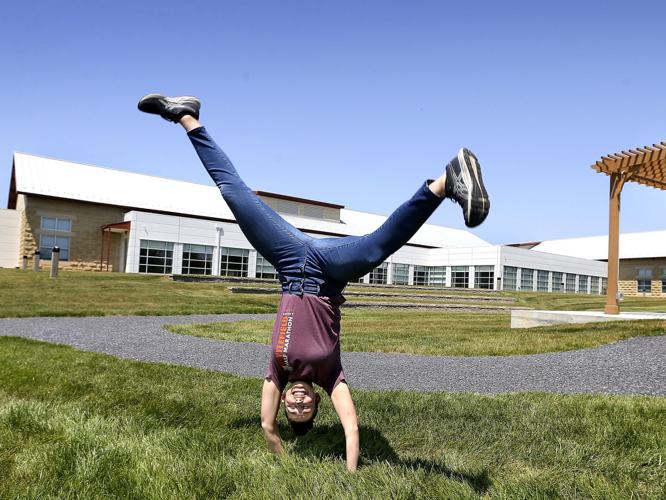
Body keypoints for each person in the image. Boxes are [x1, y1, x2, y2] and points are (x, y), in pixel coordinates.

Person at [138, 94, 490, 471]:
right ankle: (446, 182)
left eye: (293, 408)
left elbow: (267, 427)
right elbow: (352, 428)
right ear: (317, 402)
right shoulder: (331, 376)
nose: (299, 403)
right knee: (375, 249)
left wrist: (282, 457)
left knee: (233, 194)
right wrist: (351, 477)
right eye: (306, 408)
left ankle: (186, 116)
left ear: (284, 401)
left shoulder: (277, 373)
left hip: (290, 263)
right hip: (327, 274)